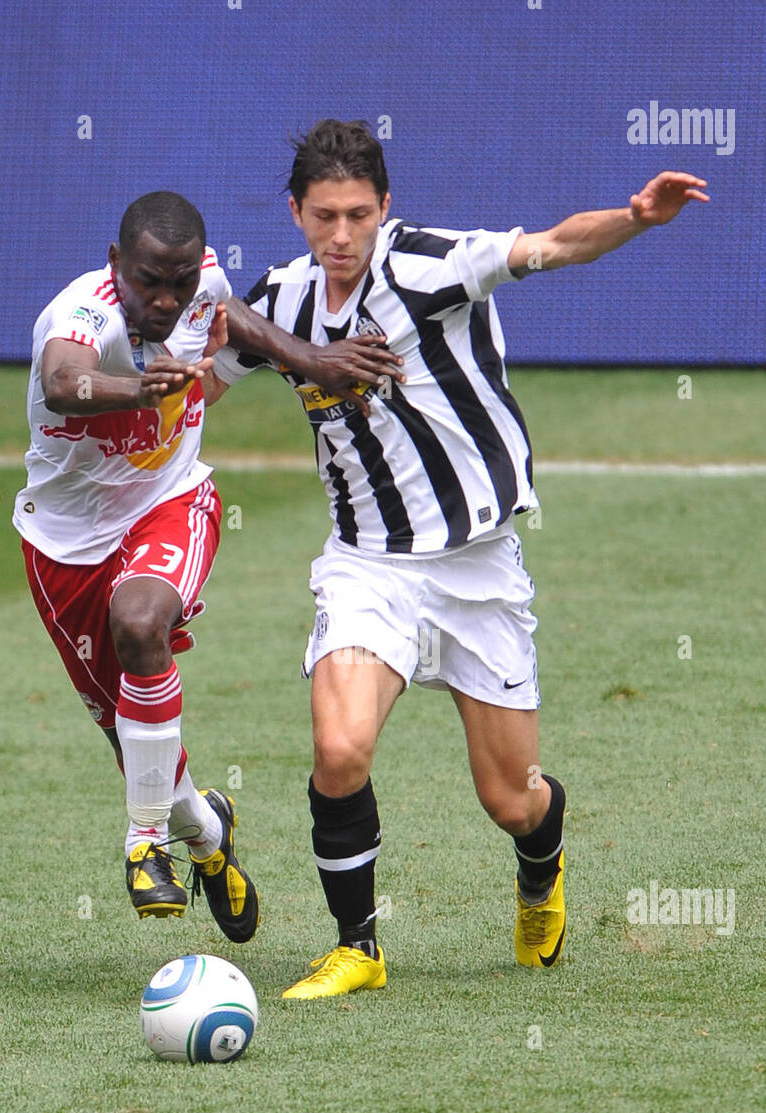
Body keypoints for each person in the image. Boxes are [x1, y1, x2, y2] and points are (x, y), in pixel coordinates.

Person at [210, 120, 709, 996]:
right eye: (323, 216)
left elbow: (551, 245)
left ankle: (539, 871)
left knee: (511, 799)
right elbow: (203, 374)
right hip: (368, 565)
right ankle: (358, 949)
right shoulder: (281, 300)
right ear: (294, 213)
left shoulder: (429, 265)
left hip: (477, 567)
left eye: (357, 214)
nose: (340, 236)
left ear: (385, 208)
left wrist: (635, 216)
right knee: (340, 748)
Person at [16, 188, 401, 940]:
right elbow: (65, 381)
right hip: (65, 543)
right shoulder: (79, 314)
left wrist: (317, 359)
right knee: (134, 743)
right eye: (149, 282)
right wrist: (137, 387)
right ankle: (207, 835)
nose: (166, 300)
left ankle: (145, 844)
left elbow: (235, 317)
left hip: (171, 502)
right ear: (115, 264)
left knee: (140, 621)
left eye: (180, 283)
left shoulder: (204, 284)